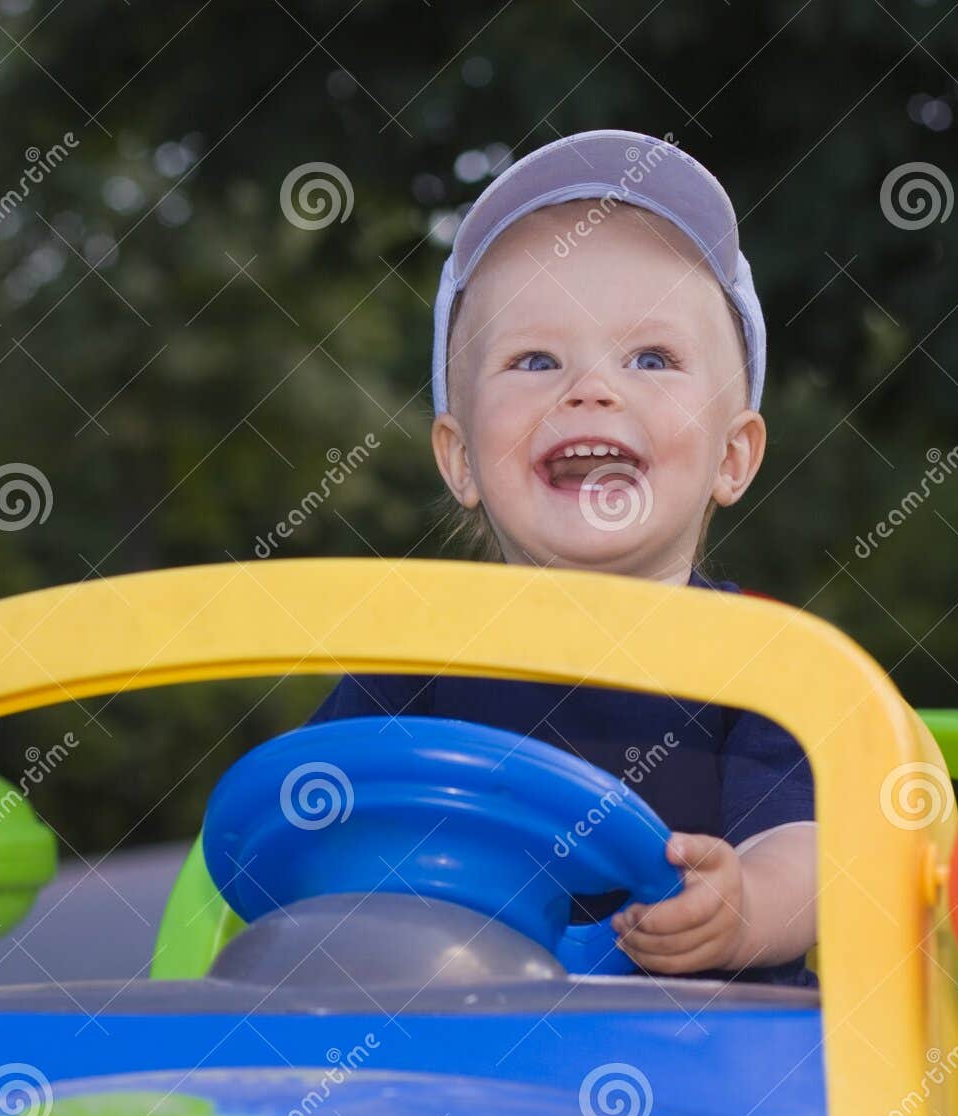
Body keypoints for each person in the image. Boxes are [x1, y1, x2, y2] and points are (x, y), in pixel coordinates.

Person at [309, 130, 816, 984]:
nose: (590, 387)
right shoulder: (414, 662)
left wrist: (747, 909)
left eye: (651, 358)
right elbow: (312, 825)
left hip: (711, 1073)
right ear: (461, 458)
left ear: (733, 457)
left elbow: (817, 849)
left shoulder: (760, 660)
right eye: (534, 359)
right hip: (455, 1072)